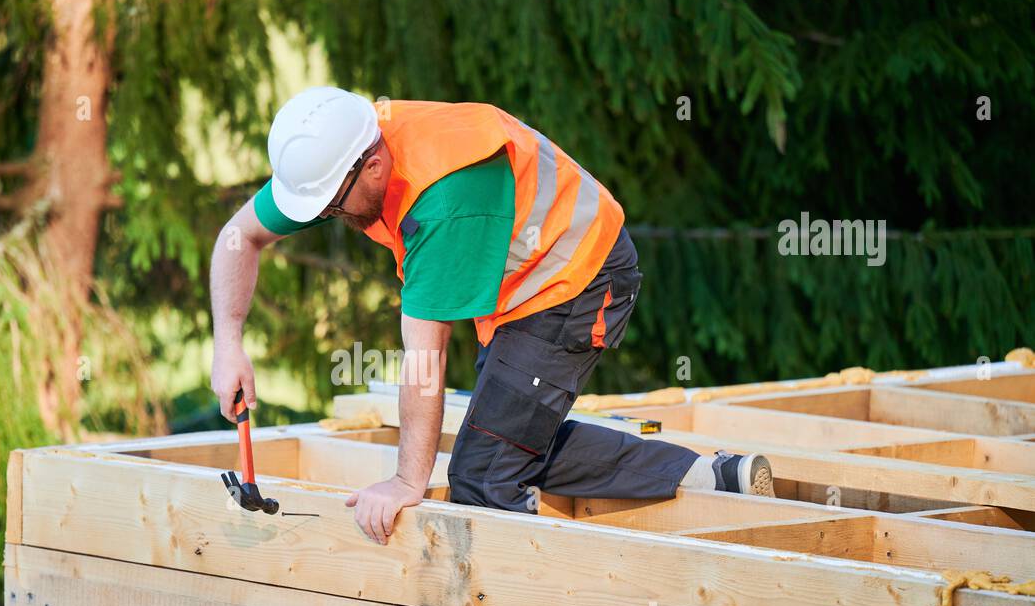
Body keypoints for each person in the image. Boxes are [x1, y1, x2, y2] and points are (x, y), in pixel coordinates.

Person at [210, 87, 774, 544]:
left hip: (576, 278)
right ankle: (714, 477)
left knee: (483, 477)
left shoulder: (445, 197)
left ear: (375, 166)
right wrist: (228, 344)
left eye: (334, 204)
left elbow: (424, 361)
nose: (330, 216)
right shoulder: (341, 149)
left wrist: (408, 481)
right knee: (502, 439)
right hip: (519, 284)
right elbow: (240, 237)